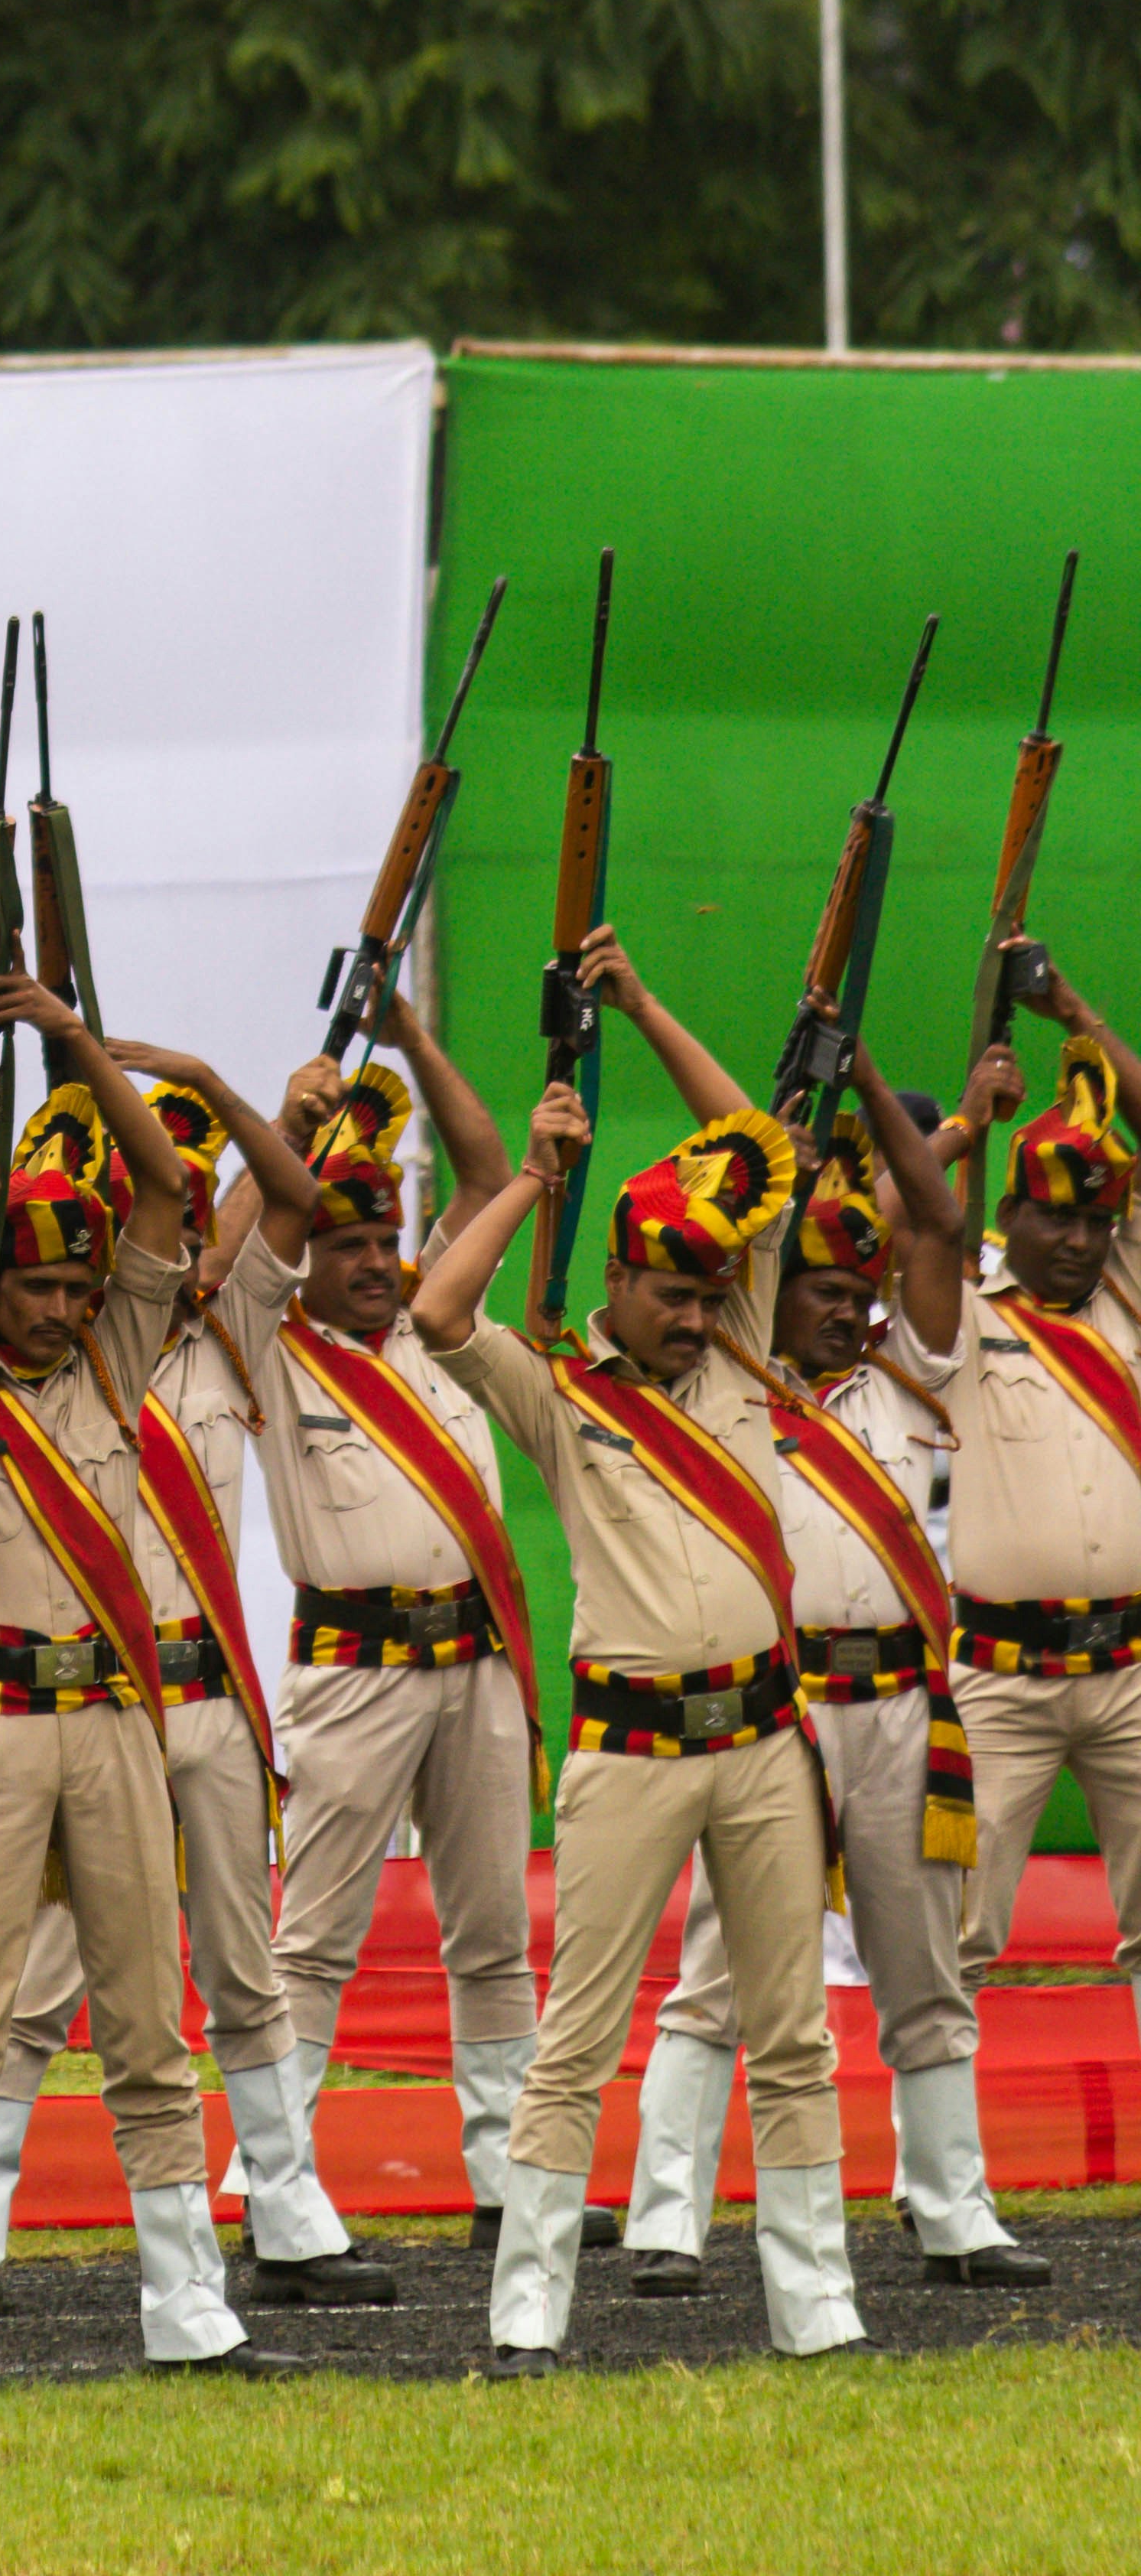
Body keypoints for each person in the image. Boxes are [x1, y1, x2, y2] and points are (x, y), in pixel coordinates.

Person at [0, 975, 301, 2387]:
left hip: (113, 1726)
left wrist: (74, 1044)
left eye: (80, 1284)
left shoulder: (116, 1357)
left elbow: (163, 1191)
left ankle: (189, 2313)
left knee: (148, 2026)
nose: (69, 1303)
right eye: (39, 1282)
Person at [411, 932, 865, 2374]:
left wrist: (646, 1005)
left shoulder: (739, 1347)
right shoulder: (556, 1388)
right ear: (619, 1276)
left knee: (790, 2036)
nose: (699, 1311)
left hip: (762, 1744)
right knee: (576, 2039)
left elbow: (763, 1149)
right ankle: (531, 2308)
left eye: (710, 1288)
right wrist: (535, 1180)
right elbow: (435, 1311)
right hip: (630, 1752)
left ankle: (818, 2304)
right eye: (672, 1293)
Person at [0, 1048, 389, 2311]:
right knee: (40, 1973)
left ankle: (285, 2207)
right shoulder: (63, 1352)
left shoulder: (231, 1329)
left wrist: (207, 1077)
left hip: (214, 1693)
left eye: (193, 1214)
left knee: (244, 1967)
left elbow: (291, 1192)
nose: (178, 1237)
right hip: (105, 1700)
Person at [624, 1054, 1046, 2294]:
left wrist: (867, 1067)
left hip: (904, 1707)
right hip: (780, 1709)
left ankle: (952, 2208)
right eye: (815, 1286)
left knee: (923, 1966)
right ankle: (664, 2219)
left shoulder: (910, 1376)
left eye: (855, 1286)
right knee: (720, 1974)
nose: (838, 1307)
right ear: (774, 1288)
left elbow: (943, 1217)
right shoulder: (727, 1389)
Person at [245, 1001, 611, 2260]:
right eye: (344, 1242)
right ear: (307, 1254)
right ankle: (275, 2185)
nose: (372, 1261)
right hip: (352, 1666)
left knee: (494, 1932)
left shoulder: (433, 1322)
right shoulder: (271, 1345)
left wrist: (407, 1032)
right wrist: (289, 1131)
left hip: (474, 1657)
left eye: (383, 1239)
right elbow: (243, 1243)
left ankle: (508, 2178)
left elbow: (484, 1165)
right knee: (316, 1942)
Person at [942, 967, 1141, 2087]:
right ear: (1011, 1214)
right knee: (959, 1936)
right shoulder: (957, 1311)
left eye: (1097, 1221)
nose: (1077, 1241)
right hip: (999, 1679)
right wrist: (971, 1128)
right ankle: (946, 2194)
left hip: (1129, 1664)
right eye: (1055, 1216)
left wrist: (1079, 1017)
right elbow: (904, 1226)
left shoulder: (1128, 1294)